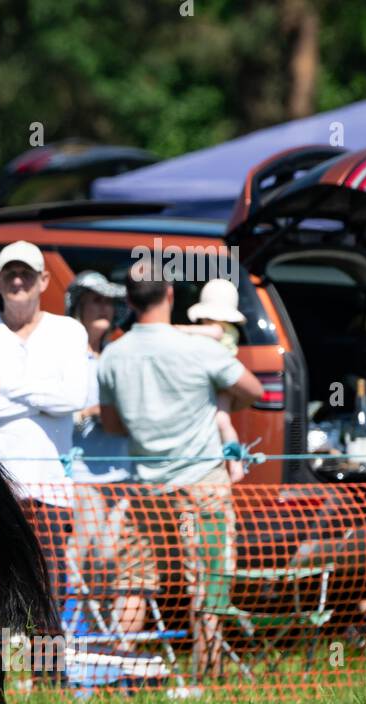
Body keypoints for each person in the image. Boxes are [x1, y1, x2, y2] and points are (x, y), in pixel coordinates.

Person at [98, 268, 262, 679]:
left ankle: (120, 671)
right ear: (170, 294)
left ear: (129, 302)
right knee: (209, 582)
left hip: (145, 489)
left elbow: (112, 425)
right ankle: (207, 676)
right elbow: (255, 390)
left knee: (134, 580)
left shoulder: (113, 355)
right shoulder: (201, 350)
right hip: (203, 485)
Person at [0, 241, 89, 609]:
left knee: (49, 584)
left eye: (26, 274)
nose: (18, 281)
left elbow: (74, 398)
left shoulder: (69, 331)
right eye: (10, 274)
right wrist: (43, 400)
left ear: (44, 280)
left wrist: (6, 387)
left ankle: (46, 663)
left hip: (51, 485)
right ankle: (1, 660)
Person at [64, 272, 135, 633]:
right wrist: (92, 413)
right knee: (79, 552)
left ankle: (98, 633)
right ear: (78, 307)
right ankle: (54, 631)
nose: (104, 307)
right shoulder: (67, 357)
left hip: (123, 472)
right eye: (95, 300)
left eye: (109, 301)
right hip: (83, 473)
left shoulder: (118, 355)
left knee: (108, 554)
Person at [178, 278, 247, 483]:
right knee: (222, 420)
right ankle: (234, 462)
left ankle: (235, 462)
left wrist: (179, 329)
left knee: (222, 421)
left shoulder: (221, 329)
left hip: (220, 383)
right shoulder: (222, 329)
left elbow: (214, 333)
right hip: (215, 383)